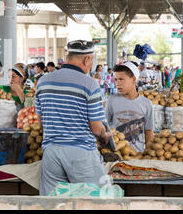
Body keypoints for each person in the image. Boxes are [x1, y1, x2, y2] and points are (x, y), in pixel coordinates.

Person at [35, 40, 112, 196]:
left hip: (51, 153)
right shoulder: (90, 84)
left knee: (53, 204)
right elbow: (96, 128)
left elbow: (41, 123)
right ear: (87, 60)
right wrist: (105, 135)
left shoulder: (43, 82)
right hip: (81, 153)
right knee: (99, 201)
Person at [105, 62, 154, 153]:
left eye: (121, 79)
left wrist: (148, 154)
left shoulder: (147, 104)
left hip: (137, 155)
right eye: (115, 80)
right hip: (117, 154)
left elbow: (148, 131)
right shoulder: (111, 100)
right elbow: (104, 127)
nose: (117, 84)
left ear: (134, 79)